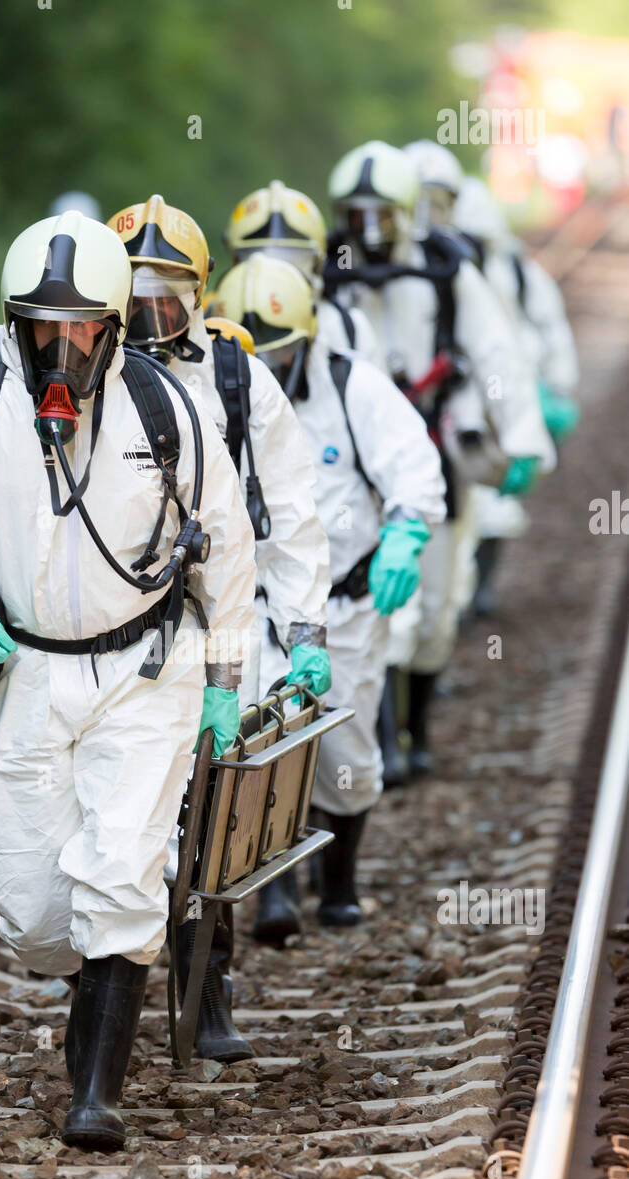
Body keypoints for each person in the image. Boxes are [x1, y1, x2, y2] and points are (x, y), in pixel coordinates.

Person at [0, 211, 256, 1151]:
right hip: (25, 681)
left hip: (145, 673)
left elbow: (230, 550)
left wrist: (224, 681)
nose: (62, 346)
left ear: (115, 325)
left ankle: (96, 1099)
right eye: (41, 326)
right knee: (37, 918)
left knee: (121, 875)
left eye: (82, 326)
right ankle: (88, 984)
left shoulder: (171, 411)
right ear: (15, 326)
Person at [109, 193, 331, 1039]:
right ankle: (107, 997)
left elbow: (293, 509)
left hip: (220, 623)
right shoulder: (82, 372)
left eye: (168, 289)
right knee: (128, 818)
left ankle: (208, 991)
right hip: (113, 627)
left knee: (214, 815)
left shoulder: (238, 378)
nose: (149, 308)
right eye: (134, 288)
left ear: (201, 293)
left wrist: (305, 634)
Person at [212, 255, 446, 938]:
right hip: (251, 607)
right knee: (258, 743)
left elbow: (414, 465)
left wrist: (405, 534)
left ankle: (338, 880)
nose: (271, 368)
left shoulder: (353, 387)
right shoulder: (212, 393)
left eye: (282, 353)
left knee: (344, 756)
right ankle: (273, 890)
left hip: (344, 603)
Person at [325, 142, 552, 776]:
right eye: (356, 214)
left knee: (433, 607)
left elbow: (495, 351)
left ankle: (416, 724)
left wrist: (522, 436)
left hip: (434, 445)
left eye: (383, 216)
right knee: (370, 602)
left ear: (407, 213)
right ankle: (385, 744)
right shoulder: (329, 272)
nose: (370, 231)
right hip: (353, 458)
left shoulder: (445, 271)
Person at [453, 176, 579, 614]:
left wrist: (556, 391)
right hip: (461, 402)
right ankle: (457, 596)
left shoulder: (519, 274)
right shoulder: (436, 278)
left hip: (505, 396)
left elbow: (549, 330)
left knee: (496, 505)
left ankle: (478, 590)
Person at [223, 178, 386, 366]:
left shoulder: (349, 329)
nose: (274, 278)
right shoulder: (214, 322)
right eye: (256, 257)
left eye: (292, 260)